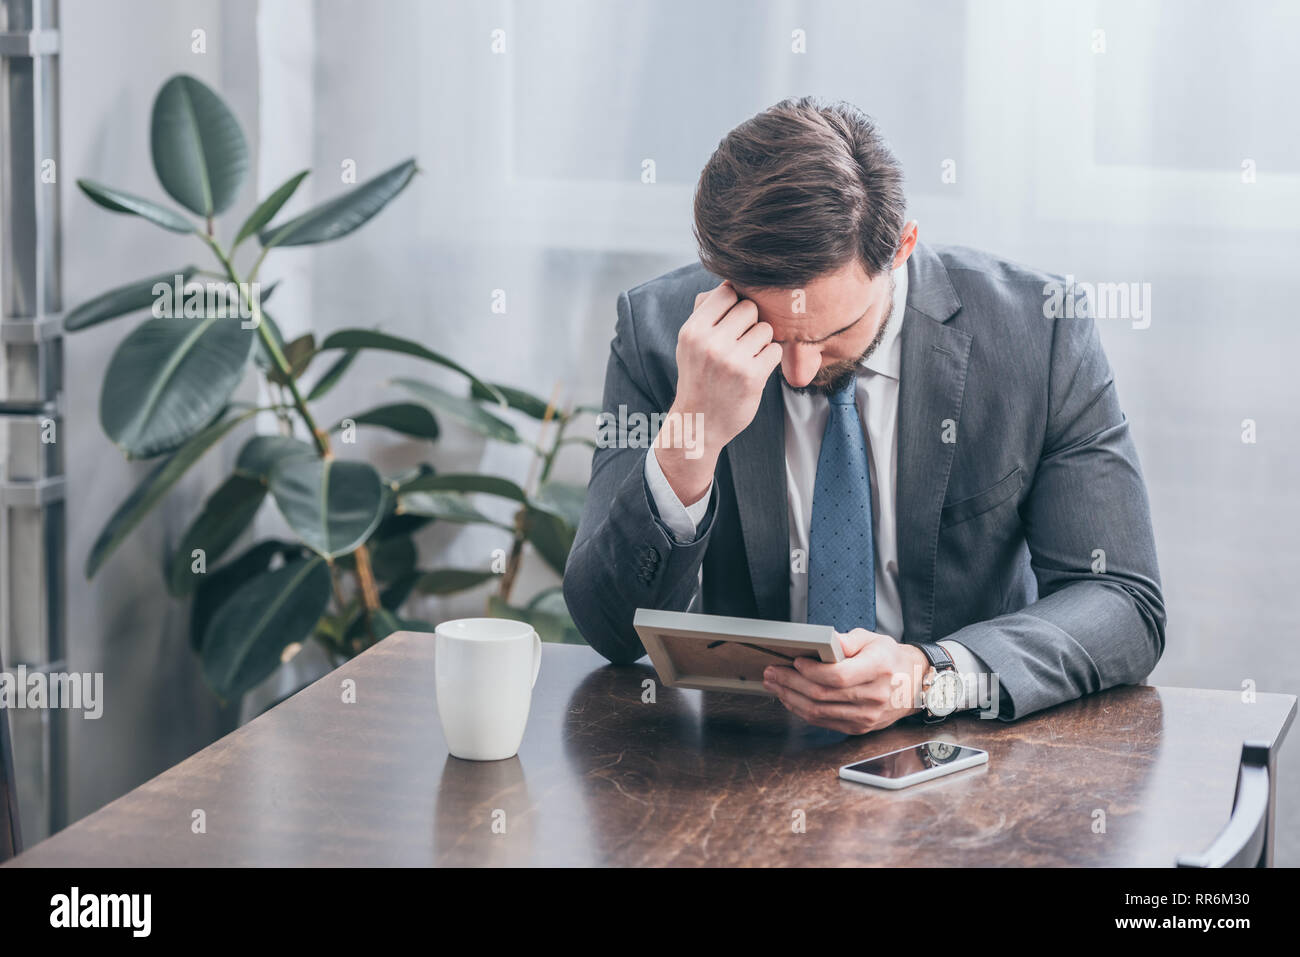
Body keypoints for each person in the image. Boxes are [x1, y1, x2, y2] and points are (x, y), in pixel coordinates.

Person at [562, 96, 1165, 734]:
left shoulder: (1038, 333)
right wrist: (693, 435)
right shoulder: (660, 334)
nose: (795, 371)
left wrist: (931, 677)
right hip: (747, 761)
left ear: (902, 246)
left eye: (832, 333)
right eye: (768, 331)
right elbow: (610, 631)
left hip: (963, 758)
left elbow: (1123, 604)